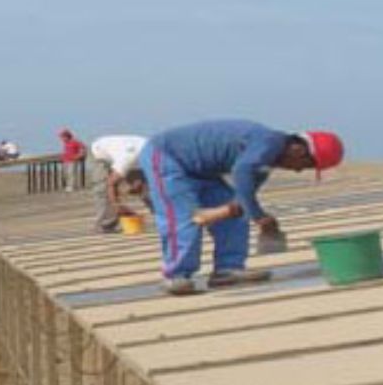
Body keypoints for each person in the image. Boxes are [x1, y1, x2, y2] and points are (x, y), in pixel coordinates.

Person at [140, 120, 344, 295]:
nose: (299, 171)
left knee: (237, 216)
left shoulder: (266, 162)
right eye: (306, 164)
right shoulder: (269, 142)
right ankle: (176, 276)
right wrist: (258, 215)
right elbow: (242, 171)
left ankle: (227, 270)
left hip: (201, 171)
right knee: (183, 219)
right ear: (298, 149)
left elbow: (243, 196)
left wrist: (246, 210)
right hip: (167, 157)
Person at [88, 134, 149, 232]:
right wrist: (117, 205)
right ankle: (106, 224)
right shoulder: (128, 158)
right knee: (102, 189)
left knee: (145, 187)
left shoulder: (152, 149)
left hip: (126, 153)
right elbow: (111, 183)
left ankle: (161, 214)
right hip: (98, 154)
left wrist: (136, 187)